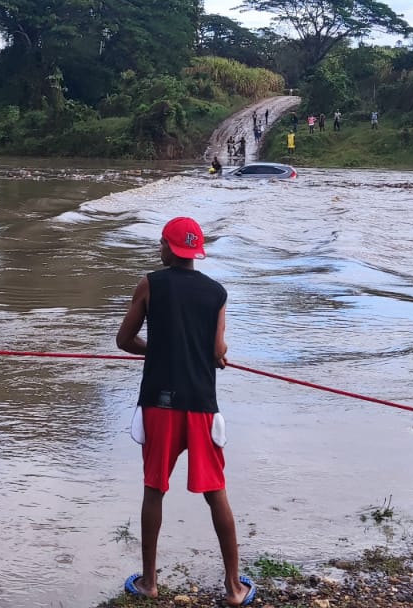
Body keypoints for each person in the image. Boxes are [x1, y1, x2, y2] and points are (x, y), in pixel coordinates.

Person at [116, 217, 256, 606]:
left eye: (162, 244)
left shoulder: (150, 284)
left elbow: (123, 340)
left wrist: (160, 350)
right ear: (195, 253)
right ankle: (232, 587)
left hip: (159, 403)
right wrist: (211, 355)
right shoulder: (217, 293)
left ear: (166, 247)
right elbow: (215, 352)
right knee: (216, 492)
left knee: (154, 488)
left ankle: (149, 581)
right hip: (201, 406)